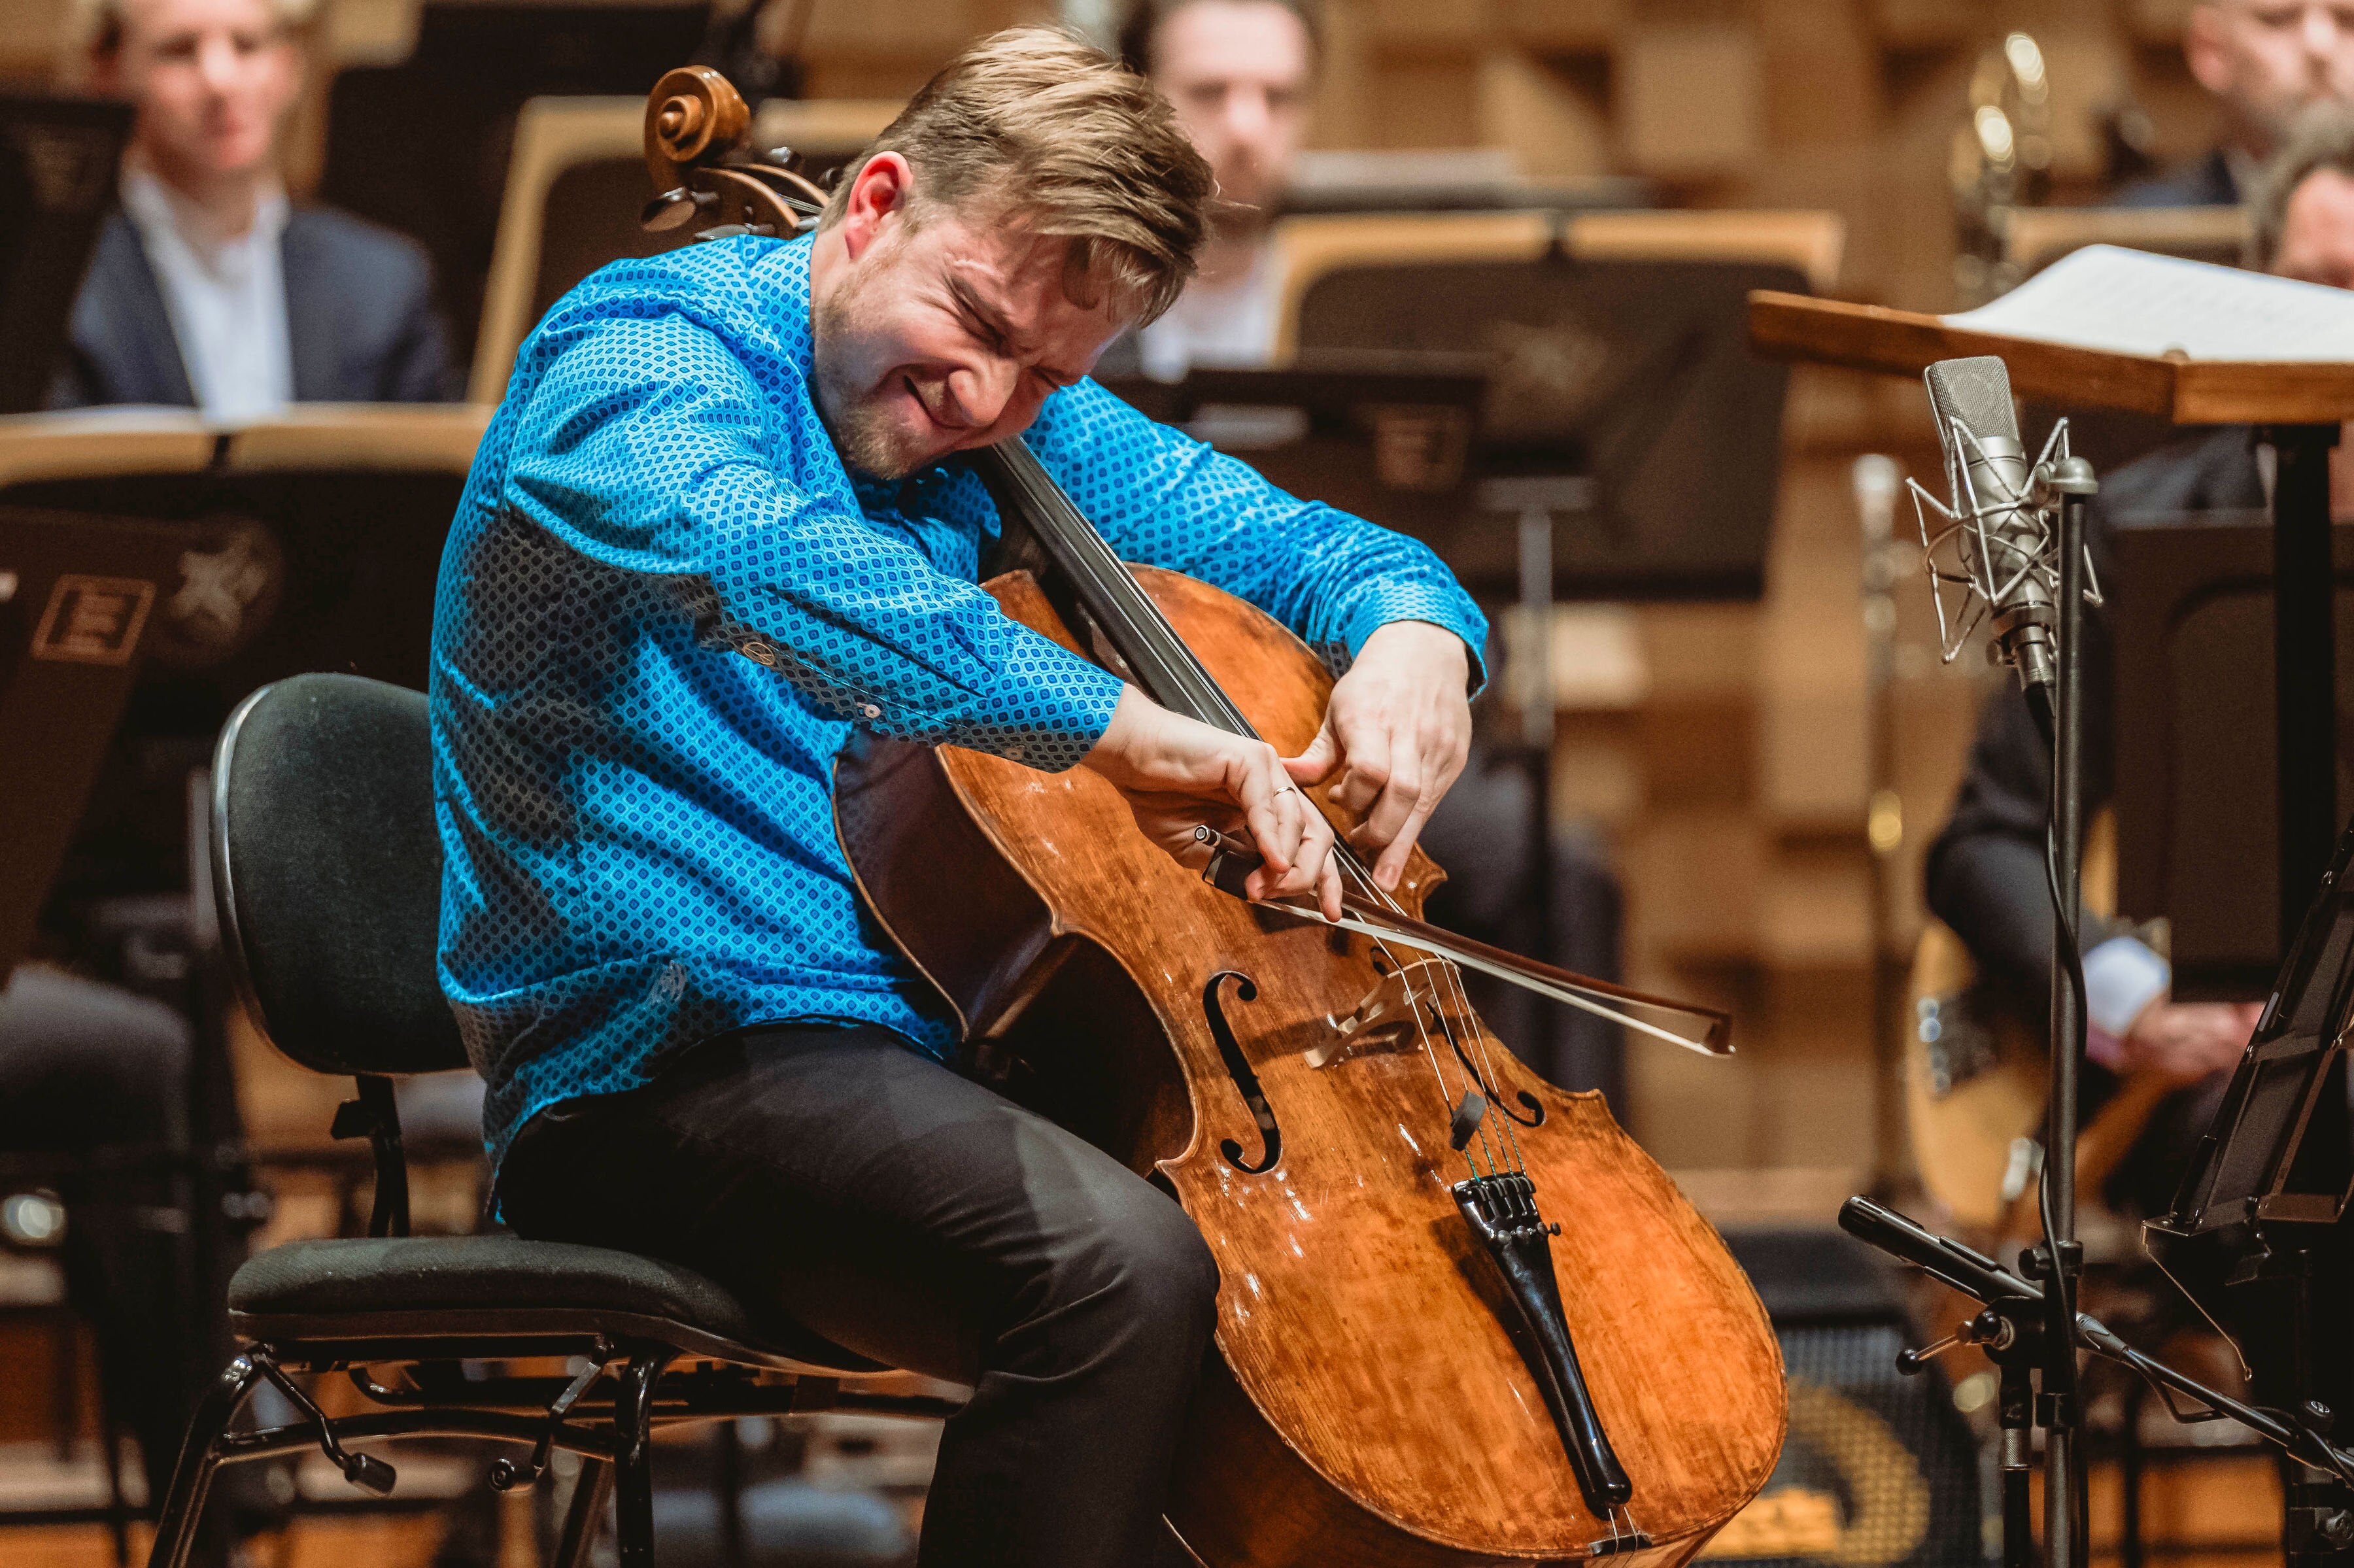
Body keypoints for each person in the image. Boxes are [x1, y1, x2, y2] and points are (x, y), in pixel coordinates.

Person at [433, 28, 1486, 1568]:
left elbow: (1301, 544)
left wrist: (1417, 640)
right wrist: (1118, 726)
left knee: (1305, 1277)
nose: (987, 394)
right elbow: (761, 560)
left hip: (920, 1054)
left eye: (1049, 371)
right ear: (872, 204)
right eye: (974, 320)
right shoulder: (643, 347)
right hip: (654, 1059)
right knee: (1111, 1266)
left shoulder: (1009, 423)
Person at [1926, 109, 2354, 1212]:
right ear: (2260, 295)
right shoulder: (2133, 536)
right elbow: (1989, 840)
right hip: (2203, 1087)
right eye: (2315, 286)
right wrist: (2129, 997)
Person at [48, 0, 456, 414]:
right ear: (107, 74)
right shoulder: (51, 282)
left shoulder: (384, 284)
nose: (220, 81)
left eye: (246, 45)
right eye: (179, 50)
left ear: (290, 68)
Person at [1110, 0, 1314, 379]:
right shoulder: (1067, 312)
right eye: (1209, 92)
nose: (1246, 128)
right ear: (1135, 104)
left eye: (1279, 96)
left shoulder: (1361, 300)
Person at [2118, 0, 2354, 207]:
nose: (2321, 47)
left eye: (2349, 19)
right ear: (2210, 48)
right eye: (2277, 19)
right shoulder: (2135, 236)